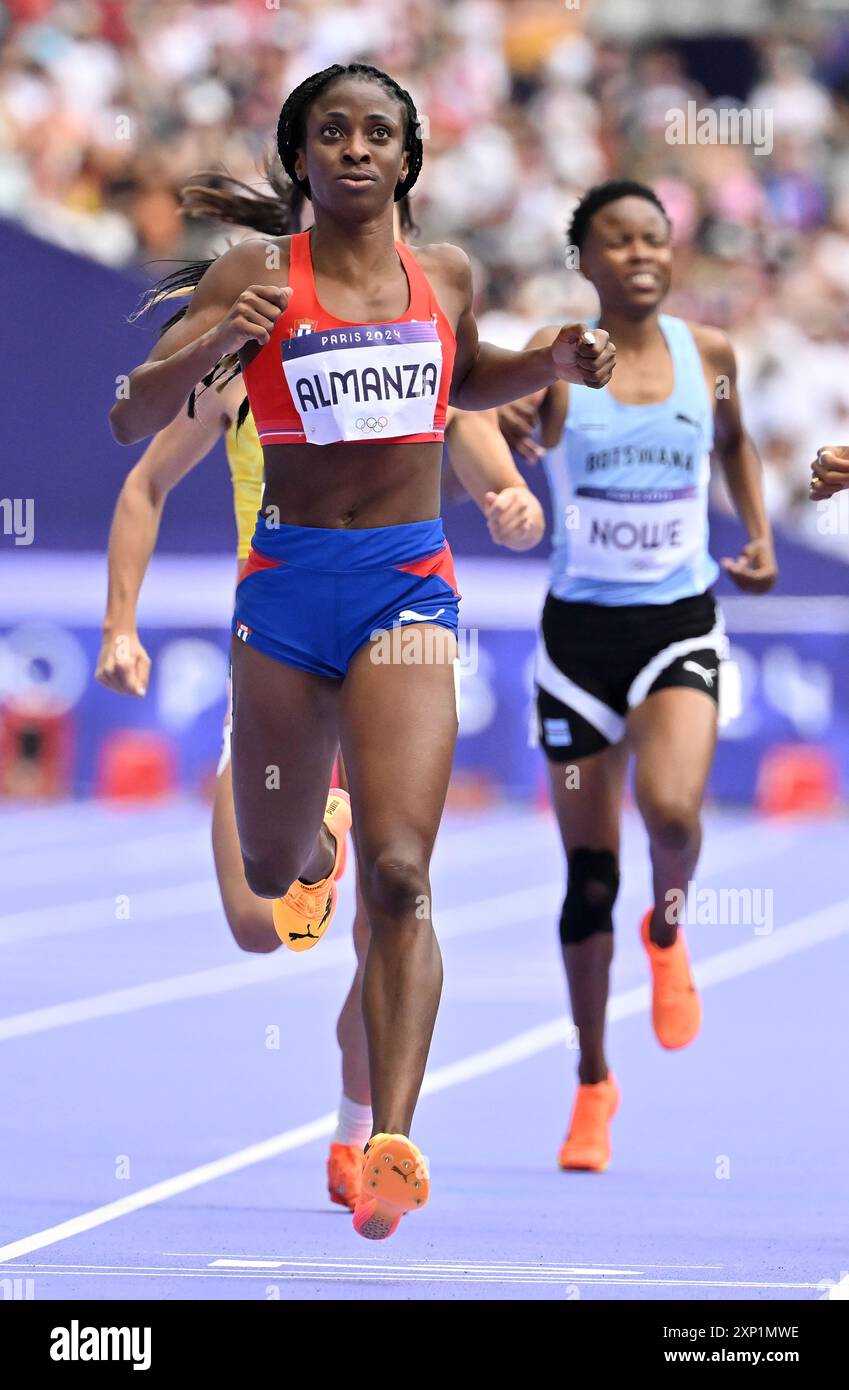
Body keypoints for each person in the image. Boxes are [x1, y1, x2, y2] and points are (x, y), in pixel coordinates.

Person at [109, 61, 614, 1240]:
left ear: (406, 159)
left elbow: (464, 381)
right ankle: (310, 832)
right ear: (299, 157)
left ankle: (390, 1136)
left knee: (402, 876)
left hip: (404, 593)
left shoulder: (444, 274)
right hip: (283, 601)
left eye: (376, 133)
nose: (352, 148)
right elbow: (132, 416)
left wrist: (545, 366)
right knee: (277, 883)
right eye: (329, 131)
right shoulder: (255, 277)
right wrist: (206, 349)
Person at [499, 180, 776, 1174]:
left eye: (653, 238)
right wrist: (503, 474)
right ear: (586, 262)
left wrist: (758, 532)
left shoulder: (716, 358)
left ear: (674, 251)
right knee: (588, 878)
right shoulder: (561, 359)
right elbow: (478, 414)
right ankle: (592, 1081)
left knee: (671, 816)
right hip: (577, 647)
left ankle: (669, 929)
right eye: (615, 241)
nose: (639, 253)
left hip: (678, 626)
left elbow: (737, 446)